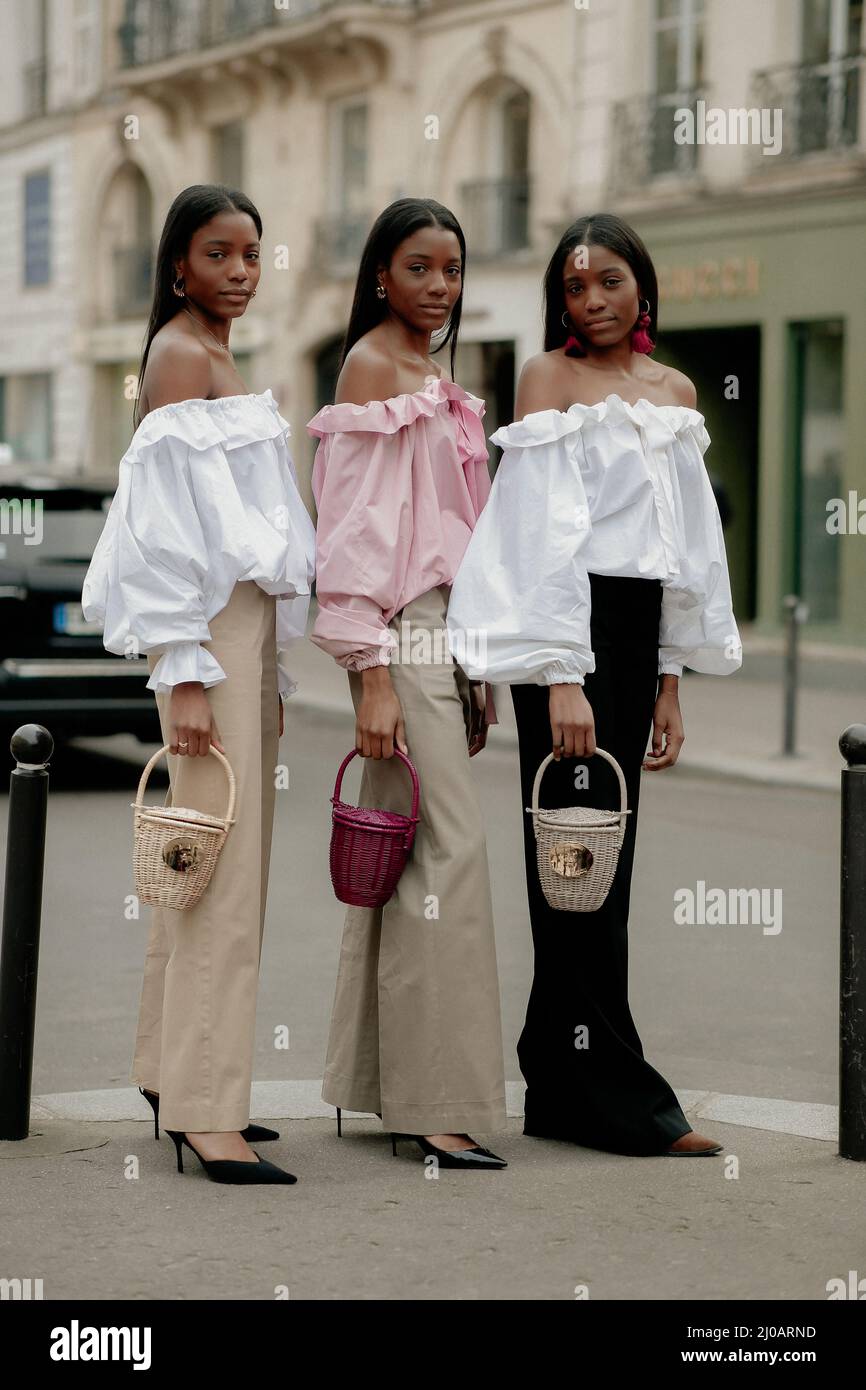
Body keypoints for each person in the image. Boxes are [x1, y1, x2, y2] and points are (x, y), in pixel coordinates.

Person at [447, 212, 742, 1157]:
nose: (592, 301)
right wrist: (561, 678)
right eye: (575, 288)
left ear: (642, 288)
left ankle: (562, 1080)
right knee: (573, 862)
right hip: (565, 636)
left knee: (600, 861)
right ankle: (613, 1093)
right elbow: (540, 538)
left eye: (608, 281)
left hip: (634, 628)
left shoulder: (675, 393)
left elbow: (681, 550)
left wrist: (668, 679)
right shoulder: (548, 380)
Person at [82, 184, 315, 1184]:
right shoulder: (182, 353)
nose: (240, 271)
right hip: (208, 629)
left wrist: (265, 669)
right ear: (179, 265)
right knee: (219, 869)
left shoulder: (215, 355)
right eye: (218, 253)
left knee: (201, 860)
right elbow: (161, 527)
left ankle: (169, 1071)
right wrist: (182, 667)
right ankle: (206, 1108)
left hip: (241, 629)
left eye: (252, 255)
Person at [308, 198, 508, 1170]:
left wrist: (474, 663)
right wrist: (367, 675)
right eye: (419, 268)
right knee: (447, 857)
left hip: (440, 634)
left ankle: (377, 1084)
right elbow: (348, 533)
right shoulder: (372, 366)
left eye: (452, 270)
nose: (438, 286)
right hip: (395, 634)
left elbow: (458, 537)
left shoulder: (436, 375)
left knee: (404, 863)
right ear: (379, 276)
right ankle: (429, 1106)